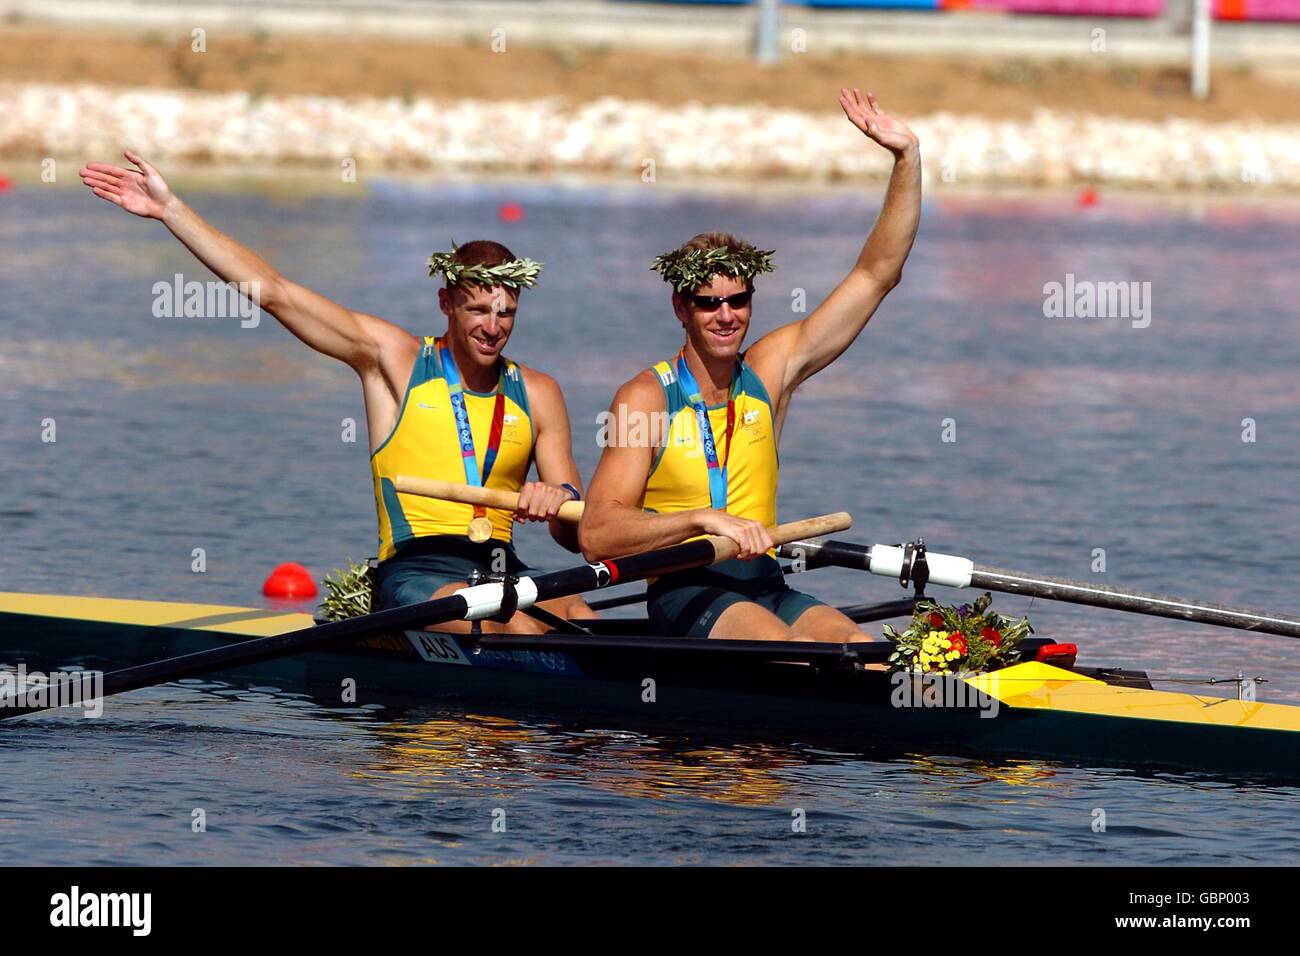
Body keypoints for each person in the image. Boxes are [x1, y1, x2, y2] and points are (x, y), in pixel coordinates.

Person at [79, 152, 593, 633]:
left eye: (506, 314)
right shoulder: (393, 359)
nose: (493, 327)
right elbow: (275, 292)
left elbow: (575, 536)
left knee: (580, 614)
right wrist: (172, 211)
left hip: (503, 569)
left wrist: (561, 499)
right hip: (417, 574)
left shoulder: (539, 391)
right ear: (446, 303)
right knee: (518, 625)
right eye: (478, 311)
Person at [579, 89, 920, 642]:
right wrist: (700, 520)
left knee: (863, 650)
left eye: (738, 301)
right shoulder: (645, 398)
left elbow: (876, 274)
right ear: (680, 308)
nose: (726, 315)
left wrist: (907, 158)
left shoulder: (768, 373)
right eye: (708, 303)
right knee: (777, 645)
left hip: (765, 581)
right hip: (687, 589)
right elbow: (598, 531)